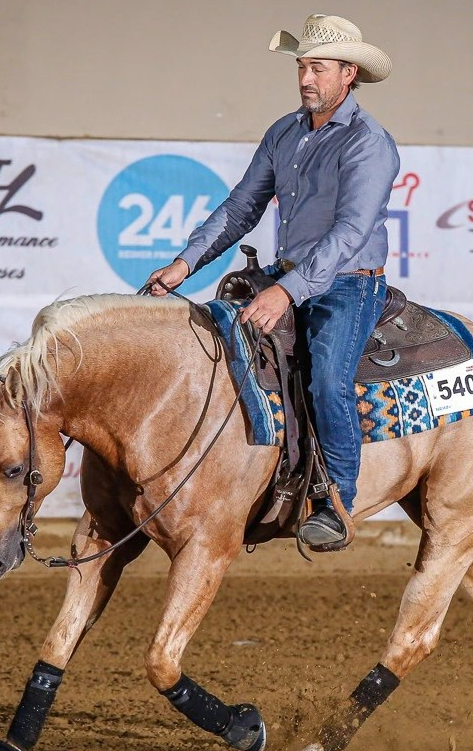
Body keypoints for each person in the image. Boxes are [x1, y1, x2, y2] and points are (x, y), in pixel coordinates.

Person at [148, 14, 400, 549]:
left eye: (319, 68)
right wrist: (186, 263)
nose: (306, 78)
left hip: (348, 284)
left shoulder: (368, 143)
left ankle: (334, 502)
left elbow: (350, 231)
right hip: (286, 278)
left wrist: (285, 291)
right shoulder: (284, 132)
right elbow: (242, 206)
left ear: (348, 73)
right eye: (302, 66)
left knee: (328, 379)